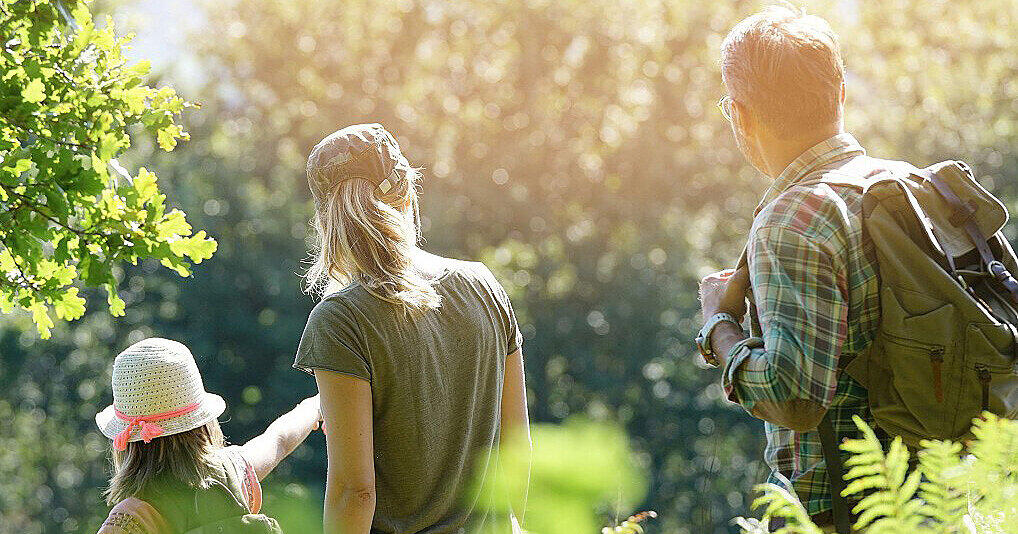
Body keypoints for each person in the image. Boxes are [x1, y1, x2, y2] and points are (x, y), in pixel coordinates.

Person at [695, 5, 896, 531]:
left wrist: (719, 327)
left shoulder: (793, 220)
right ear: (842, 92)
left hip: (847, 514)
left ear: (741, 114)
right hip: (931, 493)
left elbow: (796, 396)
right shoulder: (899, 187)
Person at [294, 123, 531, 534]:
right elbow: (518, 448)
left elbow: (355, 492)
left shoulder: (340, 320)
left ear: (324, 216)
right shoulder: (483, 285)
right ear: (406, 192)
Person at [95, 337, 322, 533]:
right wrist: (317, 407)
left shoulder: (130, 518)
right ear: (203, 423)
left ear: (126, 443)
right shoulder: (234, 471)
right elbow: (279, 440)